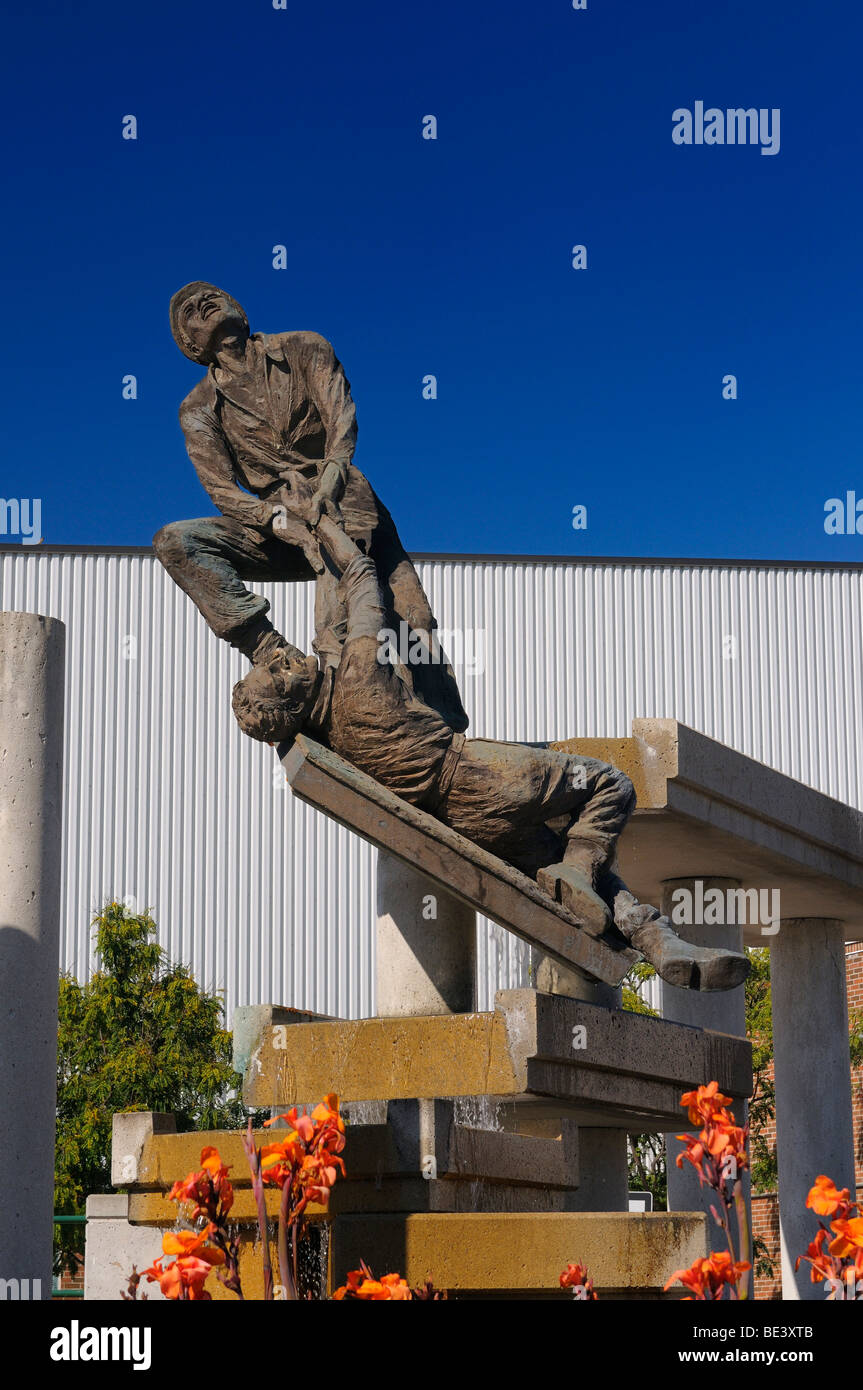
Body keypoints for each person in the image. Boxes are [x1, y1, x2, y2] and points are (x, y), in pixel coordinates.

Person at [231, 514, 748, 993]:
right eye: (278, 672)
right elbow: (364, 578)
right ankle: (581, 874)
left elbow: (326, 634)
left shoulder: (329, 740)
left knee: (580, 867)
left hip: (468, 822)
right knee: (608, 785)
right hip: (482, 776)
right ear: (292, 699)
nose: (282, 658)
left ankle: (659, 941)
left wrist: (308, 550)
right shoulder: (359, 674)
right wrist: (323, 525)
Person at [153, 280, 467, 731]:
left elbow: (342, 421)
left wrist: (328, 487)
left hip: (343, 494)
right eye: (190, 312)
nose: (203, 304)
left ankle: (444, 730)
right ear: (190, 344)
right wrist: (277, 519)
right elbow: (222, 491)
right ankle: (273, 652)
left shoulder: (305, 347)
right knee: (175, 541)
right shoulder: (198, 408)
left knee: (411, 621)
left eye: (212, 297)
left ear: (239, 307)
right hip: (273, 523)